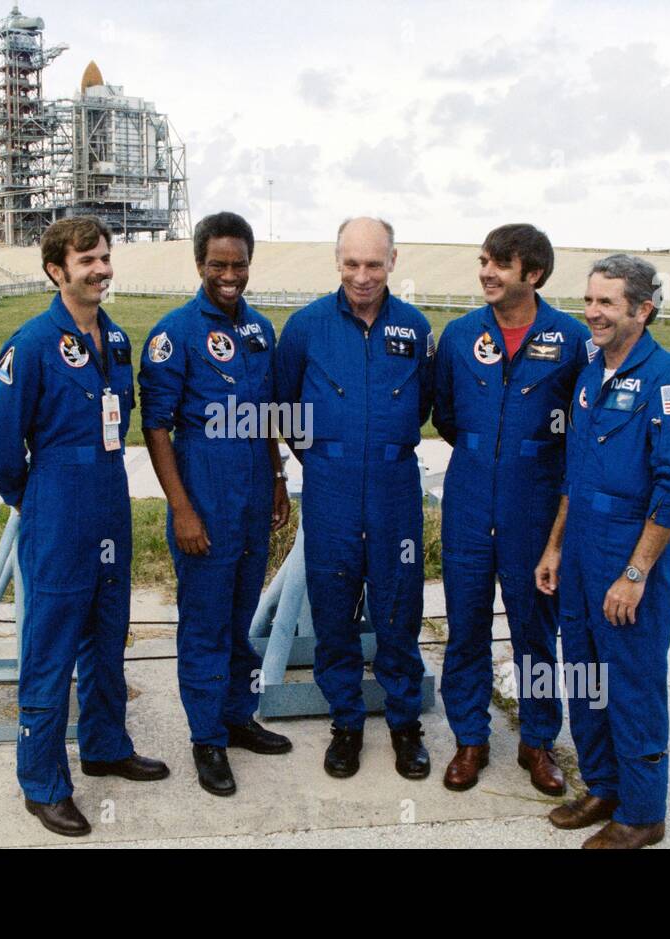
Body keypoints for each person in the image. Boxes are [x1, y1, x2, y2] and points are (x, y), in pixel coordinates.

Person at [0, 216, 168, 838]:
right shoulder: (31, 345)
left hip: (110, 494)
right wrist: (32, 502)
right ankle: (41, 784)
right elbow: (1, 446)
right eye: (86, 260)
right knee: (52, 644)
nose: (101, 268)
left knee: (108, 632)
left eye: (105, 257)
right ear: (56, 271)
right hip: (58, 502)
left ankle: (106, 745)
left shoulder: (115, 342)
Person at [535, 253, 670, 849]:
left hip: (629, 551)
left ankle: (641, 813)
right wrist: (555, 547)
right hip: (580, 546)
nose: (593, 313)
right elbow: (572, 476)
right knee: (584, 675)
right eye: (589, 300)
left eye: (607, 303)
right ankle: (603, 786)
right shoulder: (589, 375)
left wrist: (635, 573)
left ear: (643, 309)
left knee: (630, 682)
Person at [431, 224, 591, 795]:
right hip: (470, 498)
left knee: (534, 630)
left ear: (534, 274)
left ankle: (538, 740)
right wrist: (487, 452)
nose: (487, 273)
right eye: (483, 261)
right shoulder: (457, 336)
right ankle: (470, 739)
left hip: (536, 506)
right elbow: (446, 416)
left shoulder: (571, 340)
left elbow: (582, 430)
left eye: (500, 264)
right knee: (466, 627)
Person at [274, 217, 435, 780]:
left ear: (393, 261)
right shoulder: (305, 327)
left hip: (394, 490)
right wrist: (319, 457)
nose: (362, 276)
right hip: (331, 489)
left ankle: (404, 723)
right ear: (336, 261)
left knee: (398, 608)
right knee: (334, 609)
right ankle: (346, 723)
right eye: (351, 263)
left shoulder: (415, 328)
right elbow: (282, 408)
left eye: (373, 263)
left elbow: (422, 407)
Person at [138, 212, 293, 797]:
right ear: (199, 263)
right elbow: (156, 427)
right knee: (204, 622)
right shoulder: (173, 333)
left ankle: (235, 715)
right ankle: (206, 738)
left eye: (239, 264)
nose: (230, 275)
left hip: (253, 487)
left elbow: (269, 411)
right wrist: (182, 508)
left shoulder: (258, 331)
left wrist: (277, 477)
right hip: (204, 485)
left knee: (240, 618)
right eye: (218, 264)